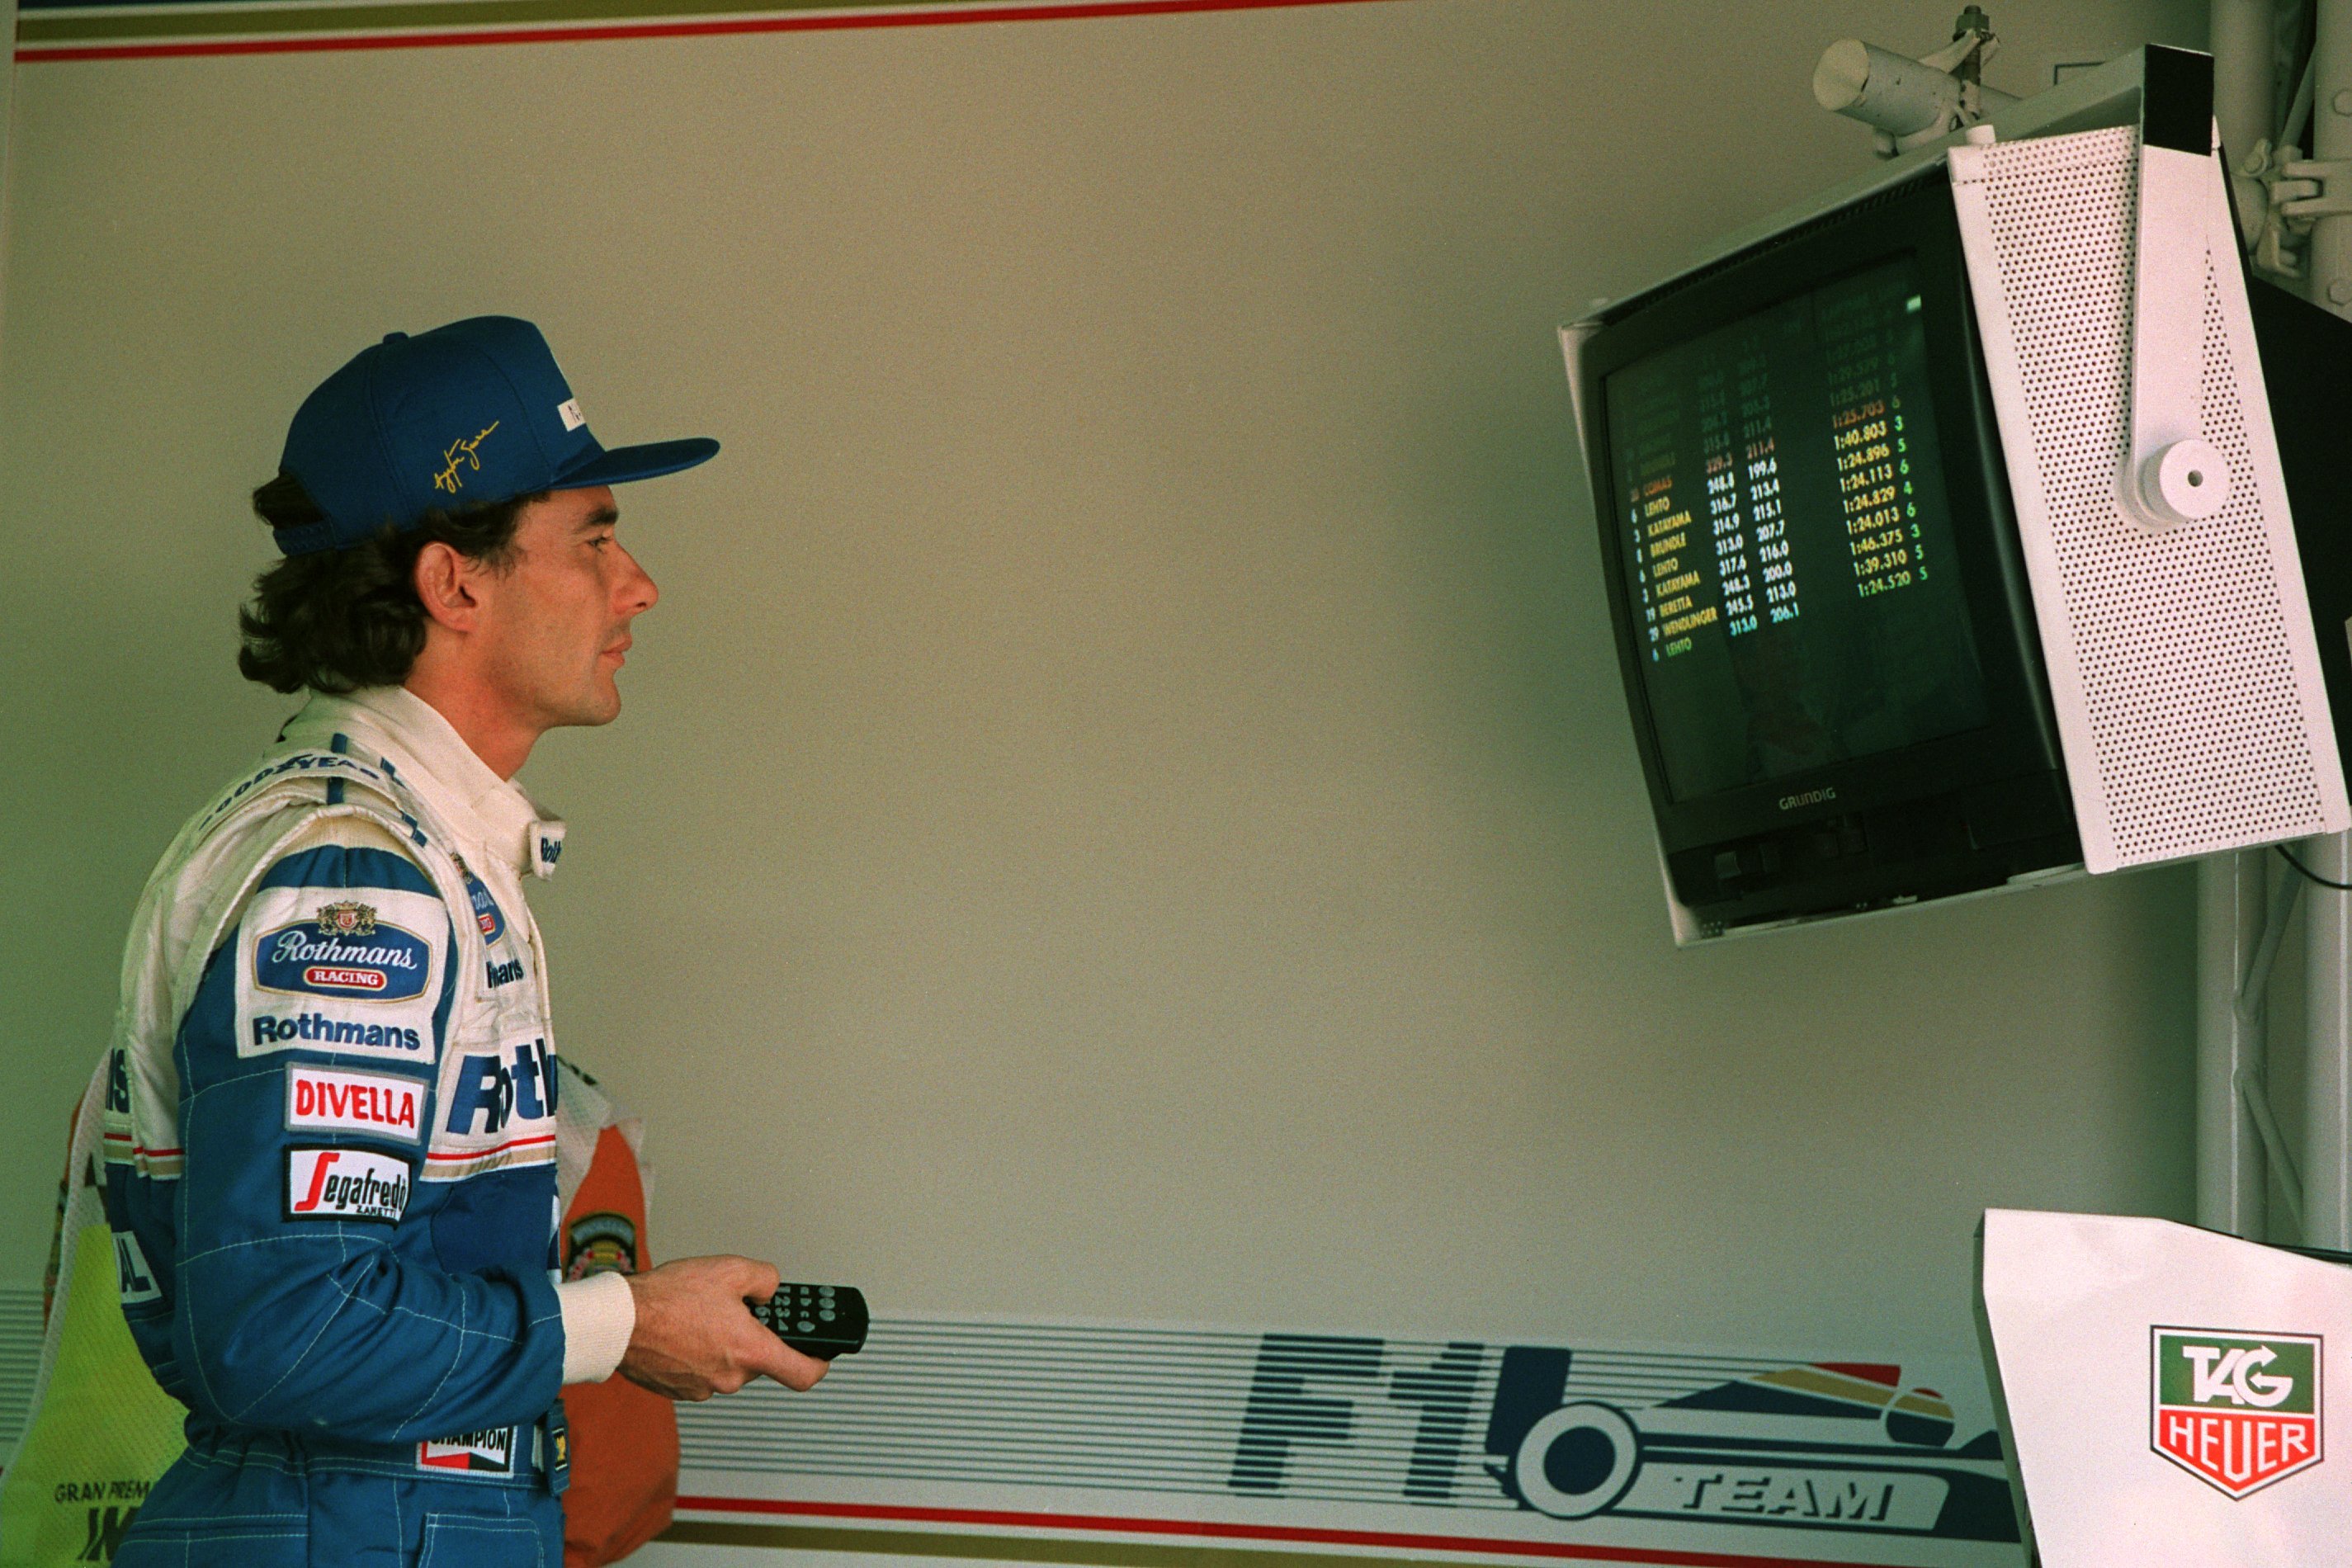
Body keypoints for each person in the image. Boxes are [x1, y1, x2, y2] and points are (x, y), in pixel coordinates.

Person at [99, 316, 826, 1568]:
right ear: (456, 584)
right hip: (350, 1529)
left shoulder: (407, 846)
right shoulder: (352, 888)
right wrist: (626, 1324)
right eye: (594, 539)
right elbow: (291, 1327)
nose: (637, 584)